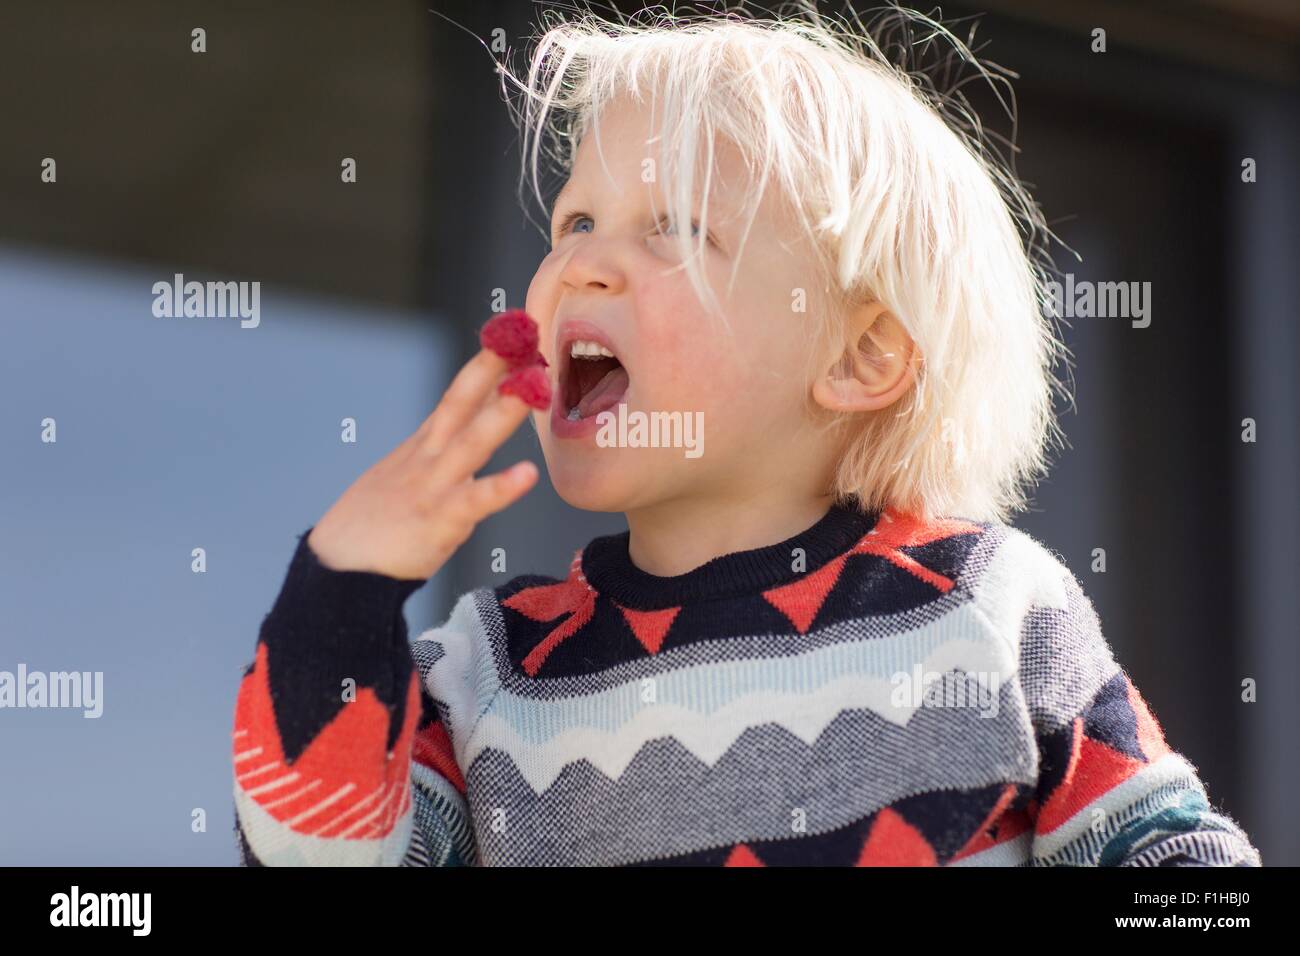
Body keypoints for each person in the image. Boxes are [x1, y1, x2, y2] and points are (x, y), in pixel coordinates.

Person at [231, 5, 1261, 866]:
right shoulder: (493, 670)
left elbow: (1165, 855)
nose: (582, 265)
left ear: (859, 358)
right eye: (575, 221)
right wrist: (340, 591)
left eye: (674, 227)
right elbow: (321, 851)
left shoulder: (985, 606)